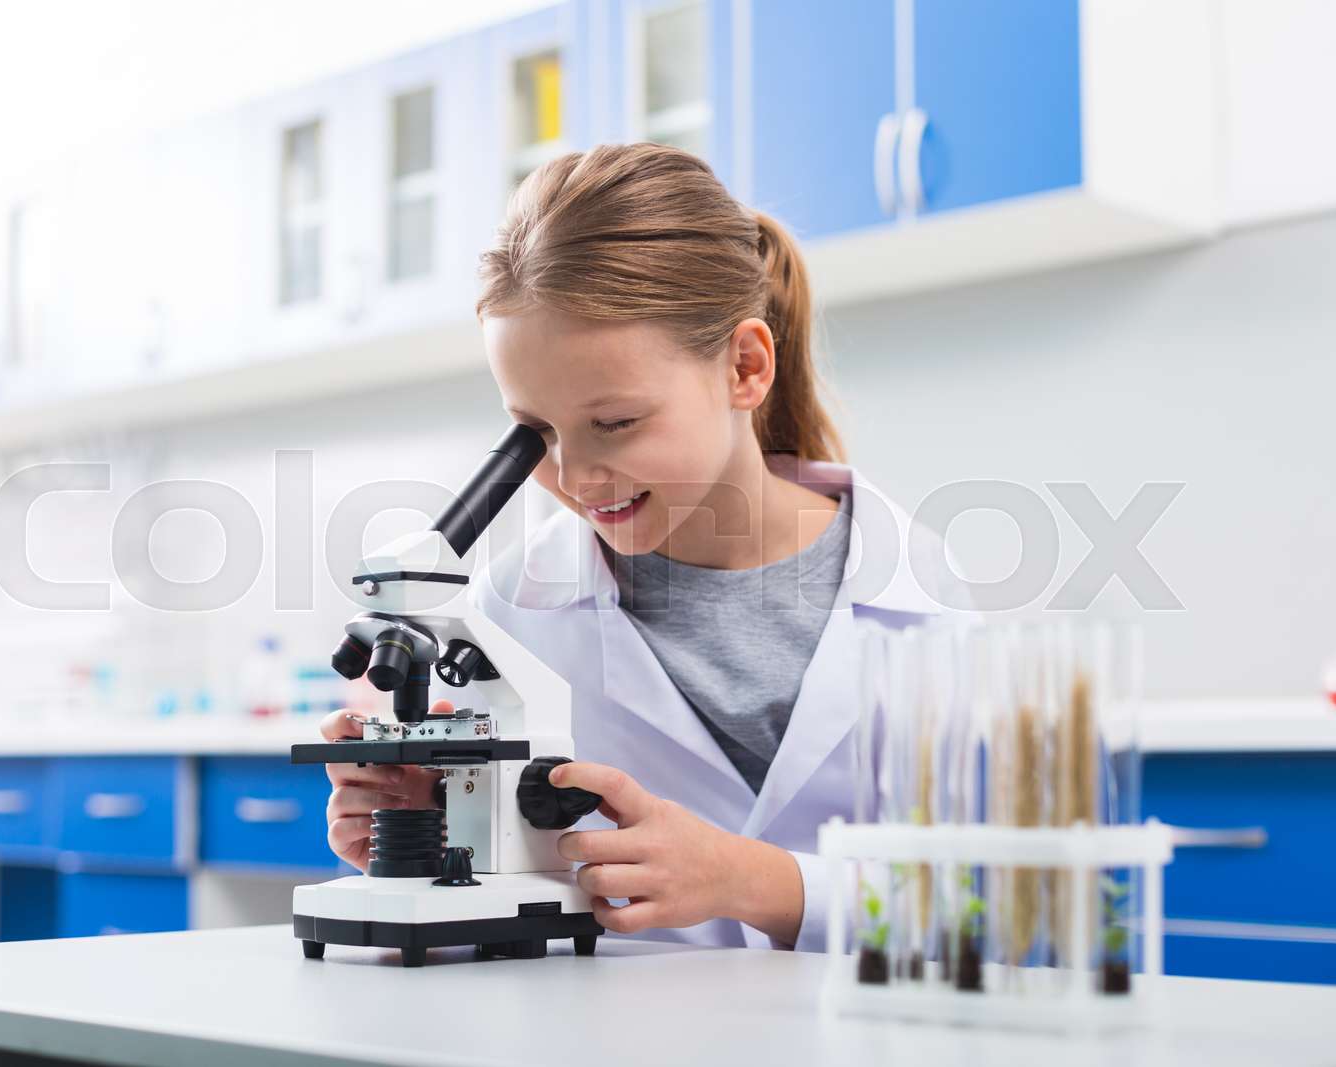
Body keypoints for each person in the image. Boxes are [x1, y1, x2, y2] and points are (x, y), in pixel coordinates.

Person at [320, 142, 957, 952]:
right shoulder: (510, 612)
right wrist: (418, 839)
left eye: (615, 423)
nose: (576, 473)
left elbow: (1019, 906)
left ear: (745, 366)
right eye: (534, 433)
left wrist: (747, 878)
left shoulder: (931, 592)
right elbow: (502, 925)